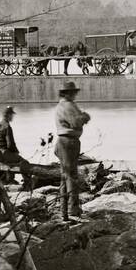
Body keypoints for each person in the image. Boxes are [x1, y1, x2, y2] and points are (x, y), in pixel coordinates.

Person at [53, 83, 90, 219]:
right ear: (67, 93)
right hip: (68, 142)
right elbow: (76, 122)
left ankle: (64, 210)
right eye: (73, 92)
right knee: (71, 176)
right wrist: (85, 117)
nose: (75, 95)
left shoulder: (60, 105)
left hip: (63, 142)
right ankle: (73, 210)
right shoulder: (68, 105)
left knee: (65, 176)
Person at [0, 106, 34, 192]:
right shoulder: (7, 127)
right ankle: (27, 186)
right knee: (24, 163)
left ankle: (9, 180)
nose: (12, 117)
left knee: (12, 161)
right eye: (12, 115)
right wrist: (16, 153)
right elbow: (10, 144)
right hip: (3, 153)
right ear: (8, 115)